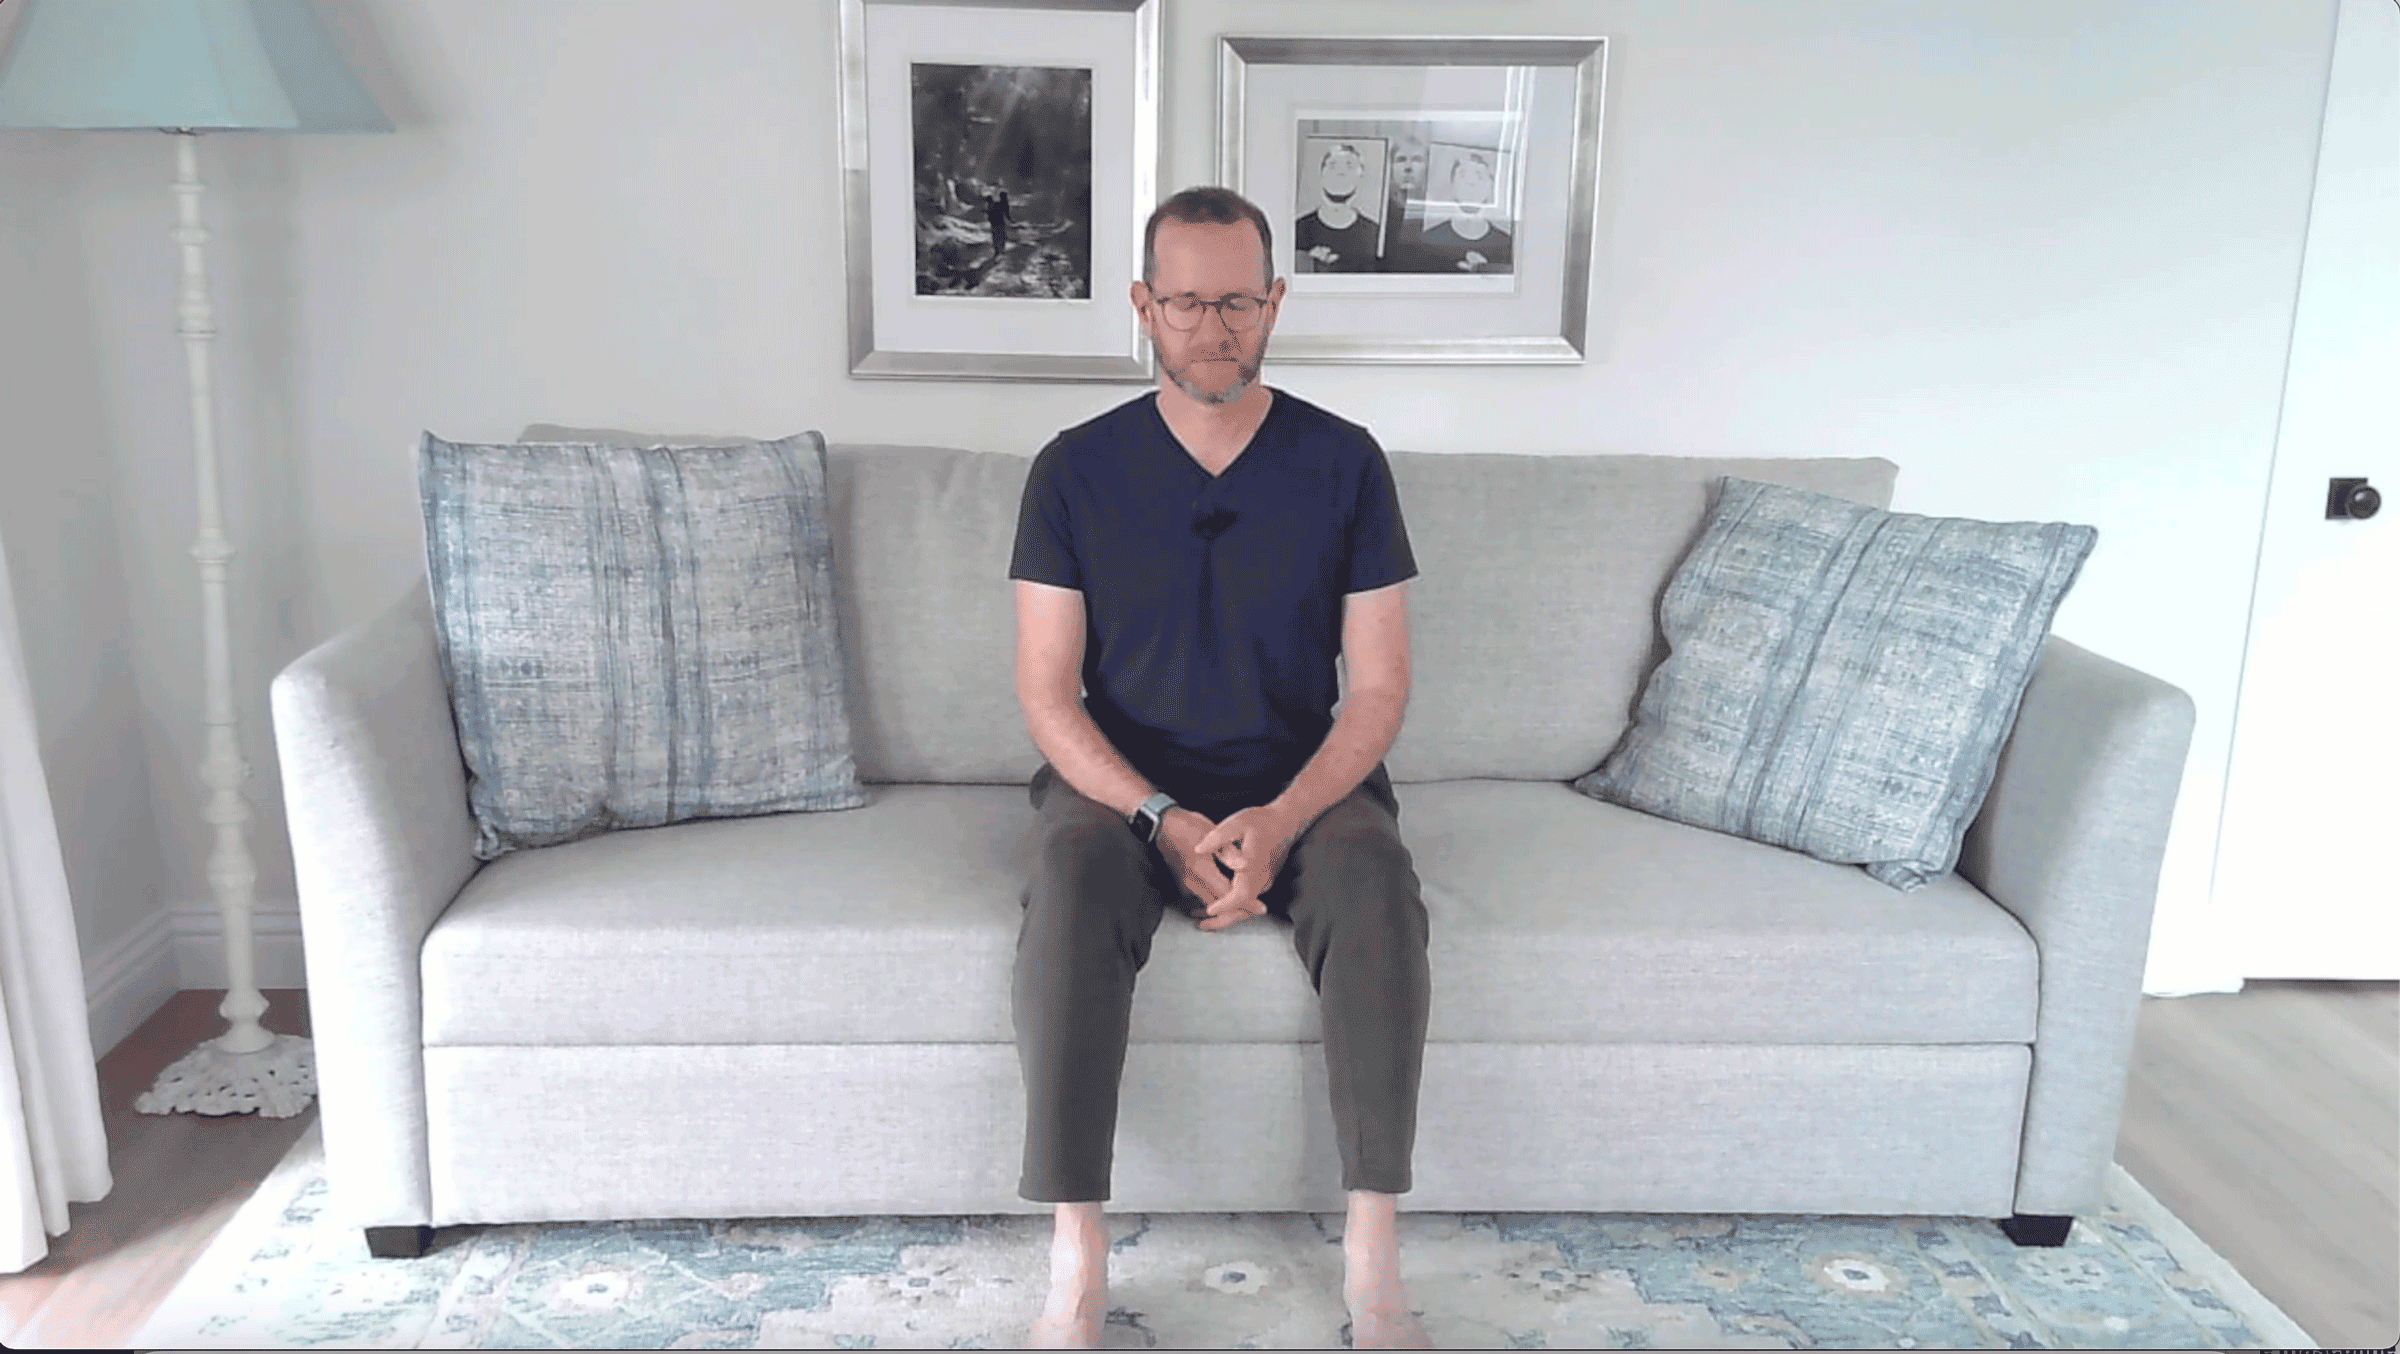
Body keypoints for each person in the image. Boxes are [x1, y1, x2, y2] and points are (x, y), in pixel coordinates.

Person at [1006, 185, 1432, 1349]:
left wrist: (1282, 819)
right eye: (1186, 303)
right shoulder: (1072, 469)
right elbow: (1046, 692)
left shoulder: (1345, 462)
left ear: (1275, 301)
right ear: (1143, 306)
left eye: (1238, 302)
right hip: (1118, 785)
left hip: (1303, 777)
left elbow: (1378, 688)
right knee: (1072, 882)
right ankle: (1078, 1256)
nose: (1213, 328)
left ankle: (1374, 1263)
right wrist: (1162, 815)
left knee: (1378, 886)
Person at [1414, 150, 1513, 275]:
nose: (1471, 182)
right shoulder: (1428, 242)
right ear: (1452, 185)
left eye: (1479, 176)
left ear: (1490, 187)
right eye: (1462, 175)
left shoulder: (1507, 246)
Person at [1292, 142, 1382, 273]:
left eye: (1349, 166)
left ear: (1360, 176)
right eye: (1333, 166)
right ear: (1321, 174)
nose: (1341, 172)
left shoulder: (1374, 233)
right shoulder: (1299, 229)